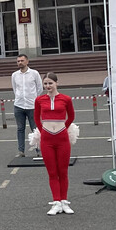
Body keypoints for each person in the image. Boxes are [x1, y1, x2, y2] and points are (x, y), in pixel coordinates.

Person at [35, 73, 76, 216]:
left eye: (50, 83)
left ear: (57, 83)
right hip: (47, 139)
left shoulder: (66, 99)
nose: (48, 86)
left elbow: (71, 116)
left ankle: (64, 201)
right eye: (45, 84)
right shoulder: (39, 100)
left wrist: (63, 127)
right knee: (52, 172)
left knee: (63, 171)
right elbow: (36, 117)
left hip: (62, 138)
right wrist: (43, 131)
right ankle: (56, 202)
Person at [11, 54, 42, 157]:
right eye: (18, 61)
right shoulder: (15, 75)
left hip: (32, 106)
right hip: (19, 105)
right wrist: (19, 98)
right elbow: (15, 89)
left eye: (22, 60)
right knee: (20, 129)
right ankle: (21, 151)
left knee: (35, 129)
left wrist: (34, 99)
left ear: (27, 61)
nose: (20, 62)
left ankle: (38, 150)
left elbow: (39, 88)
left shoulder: (34, 73)